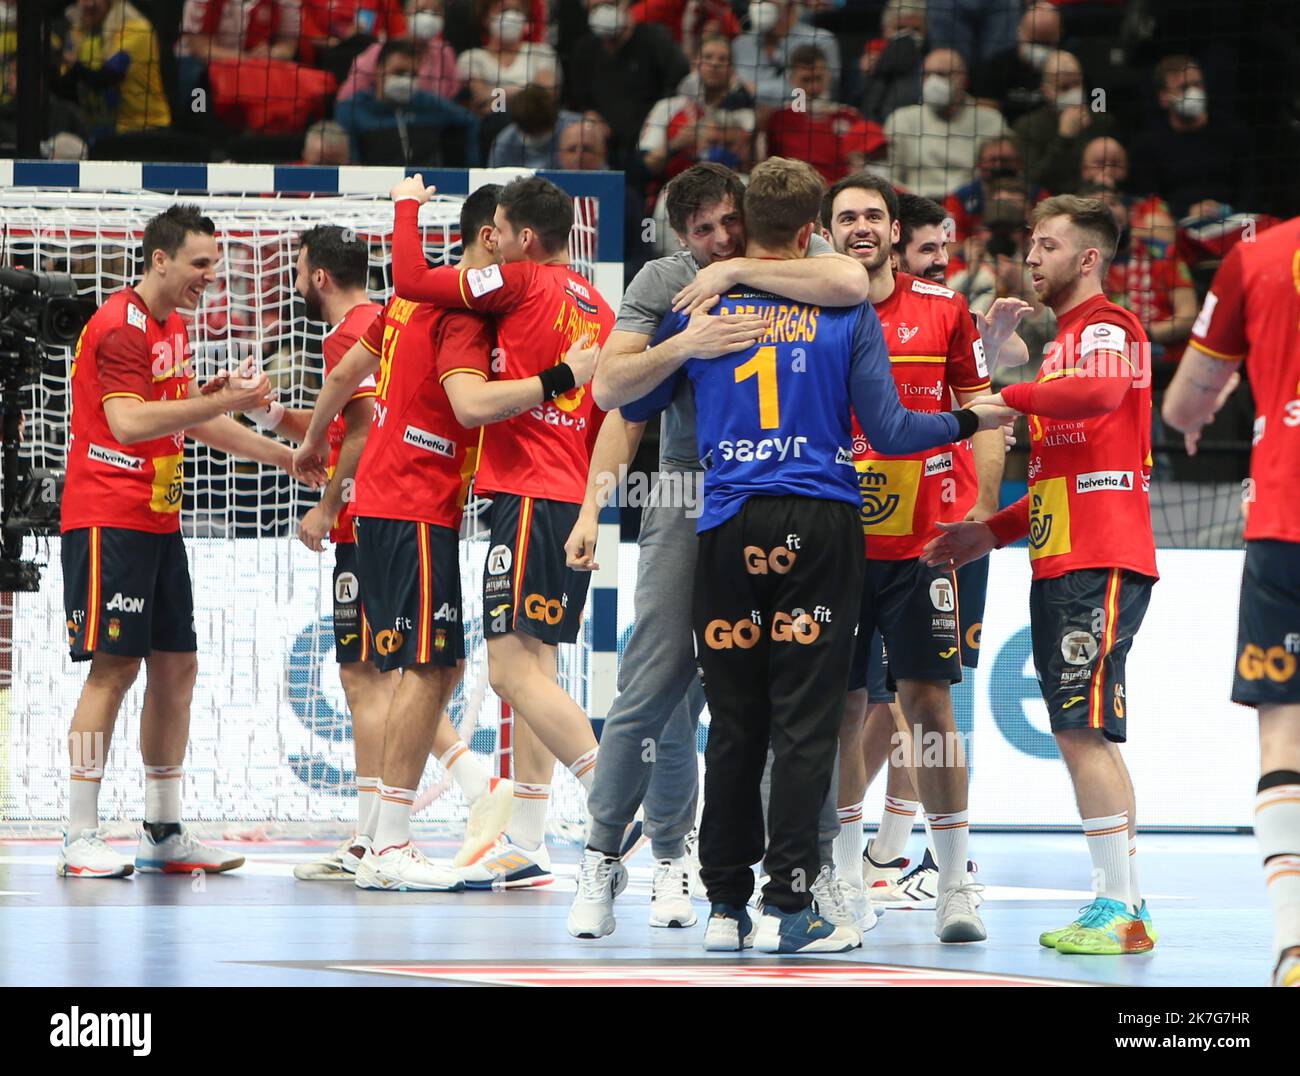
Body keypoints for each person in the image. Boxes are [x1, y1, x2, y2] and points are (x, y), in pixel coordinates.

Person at [621, 157, 1009, 953]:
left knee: (733, 722)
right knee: (806, 723)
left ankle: (723, 909)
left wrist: (680, 341)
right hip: (821, 523)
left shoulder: (704, 302)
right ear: (813, 232)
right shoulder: (844, 308)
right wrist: (975, 423)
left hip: (725, 526)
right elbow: (896, 430)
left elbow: (619, 397)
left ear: (739, 225)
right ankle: (789, 905)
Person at [565, 161, 871, 939]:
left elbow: (853, 284)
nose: (719, 238)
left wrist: (736, 268)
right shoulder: (664, 280)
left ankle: (805, 875)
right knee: (654, 681)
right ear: (680, 237)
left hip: (788, 495)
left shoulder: (798, 258)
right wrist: (687, 341)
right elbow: (613, 395)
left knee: (791, 701)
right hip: (686, 489)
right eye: (703, 232)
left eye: (728, 223)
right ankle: (605, 859)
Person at [294, 186, 595, 888]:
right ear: (494, 240)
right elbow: (469, 403)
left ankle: (384, 839)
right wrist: (559, 378)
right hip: (418, 502)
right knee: (431, 668)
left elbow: (342, 375)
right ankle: (393, 840)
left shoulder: (402, 307)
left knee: (425, 668)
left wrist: (312, 439)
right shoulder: (460, 313)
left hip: (387, 502)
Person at [924, 194, 1159, 955]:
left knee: (1080, 730)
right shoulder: (1062, 345)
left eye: (1047, 245)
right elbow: (1056, 485)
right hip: (1065, 556)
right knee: (1081, 729)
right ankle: (1120, 902)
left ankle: (1121, 910)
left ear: (1086, 259)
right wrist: (984, 535)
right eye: (1031, 241)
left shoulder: (1106, 328)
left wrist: (997, 397)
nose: (1032, 255)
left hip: (1101, 556)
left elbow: (1098, 393)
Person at [384, 174, 616, 889]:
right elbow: (611, 423)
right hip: (569, 493)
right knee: (536, 673)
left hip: (523, 491)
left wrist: (405, 207)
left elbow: (414, 278)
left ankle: (614, 803)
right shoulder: (601, 307)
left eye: (502, 230)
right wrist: (592, 511)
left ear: (519, 238)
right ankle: (528, 838)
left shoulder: (517, 282)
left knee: (513, 671)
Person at [58, 204, 294, 879]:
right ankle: (79, 834)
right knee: (113, 668)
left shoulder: (172, 326)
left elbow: (189, 418)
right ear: (159, 259)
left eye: (214, 265)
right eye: (199, 265)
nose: (209, 278)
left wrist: (285, 456)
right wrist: (219, 402)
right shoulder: (119, 325)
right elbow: (131, 423)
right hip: (109, 516)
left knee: (175, 668)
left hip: (160, 521)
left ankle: (162, 831)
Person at [820, 173, 1006, 941]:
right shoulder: (810, 309)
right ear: (826, 232)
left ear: (896, 231)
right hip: (833, 542)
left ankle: (952, 879)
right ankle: (840, 876)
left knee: (928, 706)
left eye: (873, 216)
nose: (861, 227)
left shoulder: (943, 309)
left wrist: (982, 513)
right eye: (846, 217)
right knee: (841, 708)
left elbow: (987, 412)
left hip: (924, 546)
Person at [234, 225, 399, 882]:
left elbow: (357, 433)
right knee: (381, 678)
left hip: (366, 523)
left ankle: (374, 837)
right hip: (395, 517)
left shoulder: (348, 334)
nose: (297, 282)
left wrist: (328, 505)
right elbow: (342, 425)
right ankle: (379, 832)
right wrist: (273, 417)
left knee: (365, 680)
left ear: (319, 277)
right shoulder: (382, 321)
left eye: (299, 270)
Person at [1161, 215, 1300, 989]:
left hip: (1286, 518)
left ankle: (1294, 947)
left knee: (1285, 741)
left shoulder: (1258, 254)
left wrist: (1202, 412)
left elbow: (1186, 404)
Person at [563, 0, 690, 171]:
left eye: (609, 4)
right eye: (595, 7)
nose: (603, 12)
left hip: (648, 149)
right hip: (605, 151)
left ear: (625, 4)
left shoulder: (654, 39)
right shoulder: (584, 49)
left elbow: (679, 84)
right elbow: (578, 99)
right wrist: (589, 115)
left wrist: (656, 124)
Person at [1130, 55, 1255, 221]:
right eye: (1184, 87)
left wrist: (1230, 213)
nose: (1193, 93)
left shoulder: (1234, 132)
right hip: (1176, 231)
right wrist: (1187, 212)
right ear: (1163, 98)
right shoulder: (1147, 145)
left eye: (1197, 85)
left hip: (1233, 225)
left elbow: (1250, 189)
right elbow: (1150, 201)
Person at [882, 47, 1009, 199]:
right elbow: (889, 178)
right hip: (914, 205)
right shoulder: (901, 119)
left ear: (964, 80)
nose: (933, 82)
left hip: (969, 205)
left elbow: (999, 177)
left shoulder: (991, 121)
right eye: (927, 75)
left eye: (942, 74)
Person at [334, 38, 480, 165]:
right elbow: (350, 161)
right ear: (379, 70)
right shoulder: (353, 109)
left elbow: (470, 121)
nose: (406, 80)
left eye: (413, 74)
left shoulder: (429, 103)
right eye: (399, 72)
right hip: (374, 189)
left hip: (428, 189)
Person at [764, 44, 886, 183]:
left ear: (828, 75)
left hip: (839, 195)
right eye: (806, 80)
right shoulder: (779, 119)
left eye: (818, 78)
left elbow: (867, 165)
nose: (813, 87)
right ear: (791, 79)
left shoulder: (850, 117)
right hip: (794, 195)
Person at [56, 0, 171, 138]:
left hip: (144, 128)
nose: (87, 4)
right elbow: (63, 85)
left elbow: (107, 78)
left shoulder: (137, 30)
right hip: (98, 130)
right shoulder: (80, 34)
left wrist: (72, 63)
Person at [1011, 50, 1115, 194]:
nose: (1073, 93)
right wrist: (1063, 138)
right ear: (1046, 90)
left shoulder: (1101, 121)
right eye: (1064, 87)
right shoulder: (1027, 126)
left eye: (1077, 84)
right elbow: (1032, 181)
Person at [337, 0, 462, 103]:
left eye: (435, 12)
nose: (428, 17)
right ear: (406, 14)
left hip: (430, 125)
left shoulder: (445, 52)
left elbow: (453, 95)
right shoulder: (379, 50)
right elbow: (347, 97)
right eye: (421, 10)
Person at [730, 0, 842, 110]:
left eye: (768, 1)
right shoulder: (740, 44)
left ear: (791, 4)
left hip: (803, 116)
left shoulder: (820, 40)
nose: (759, 5)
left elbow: (821, 91)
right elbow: (736, 89)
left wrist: (754, 90)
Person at [458, 0, 557, 116]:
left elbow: (545, 97)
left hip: (533, 123)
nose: (511, 16)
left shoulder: (541, 52)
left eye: (517, 10)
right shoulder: (470, 58)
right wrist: (528, 90)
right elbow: (484, 103)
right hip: (493, 125)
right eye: (504, 10)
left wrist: (498, 94)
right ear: (485, 18)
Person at [969, 1, 1058, 124]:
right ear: (1019, 32)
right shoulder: (993, 69)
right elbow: (985, 122)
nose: (1039, 49)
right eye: (1033, 42)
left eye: (1046, 43)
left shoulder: (1067, 68)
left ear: (1058, 36)